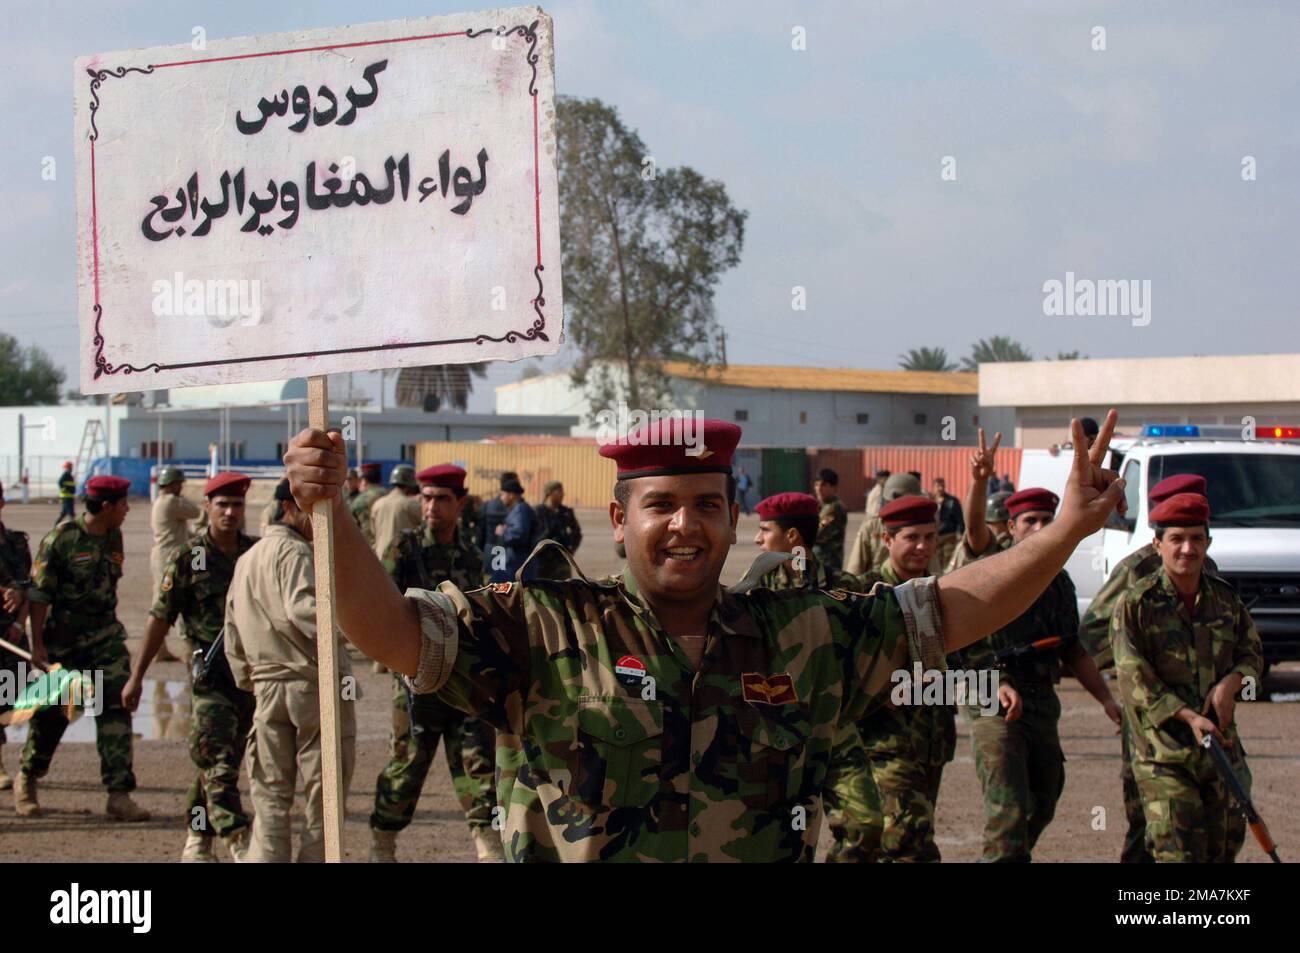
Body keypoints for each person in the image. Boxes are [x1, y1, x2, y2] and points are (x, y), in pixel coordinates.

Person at [281, 411, 1128, 861]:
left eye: (708, 504)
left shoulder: (801, 633)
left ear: (733, 520)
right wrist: (330, 514)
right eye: (662, 504)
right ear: (619, 519)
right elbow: (391, 630)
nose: (685, 525)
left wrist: (1061, 536)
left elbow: (944, 610)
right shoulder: (542, 625)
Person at [959, 484, 1123, 861]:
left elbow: (1072, 649)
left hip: (1040, 700)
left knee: (1046, 795)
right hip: (991, 699)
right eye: (1029, 520)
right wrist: (980, 479)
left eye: (1047, 521)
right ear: (1011, 528)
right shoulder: (994, 567)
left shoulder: (1060, 582)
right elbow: (974, 532)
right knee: (1009, 812)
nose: (1038, 527)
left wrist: (1106, 700)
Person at [1080, 472, 1222, 863]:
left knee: (1205, 824)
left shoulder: (1207, 566)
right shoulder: (1137, 569)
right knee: (1149, 825)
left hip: (1200, 717)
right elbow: (1092, 634)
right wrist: (1138, 663)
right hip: (1150, 721)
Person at [1113, 492, 1263, 863]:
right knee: (1178, 854)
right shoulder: (1137, 604)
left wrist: (1233, 683)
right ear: (1157, 544)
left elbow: (1252, 655)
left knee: (1223, 848)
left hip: (1220, 752)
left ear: (1208, 543)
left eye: (1196, 538)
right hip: (1164, 753)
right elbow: (1134, 678)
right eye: (1176, 539)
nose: (1186, 549)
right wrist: (1190, 716)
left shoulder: (1225, 600)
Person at [372, 464, 501, 863]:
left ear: (460, 503)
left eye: (442, 499)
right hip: (415, 681)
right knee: (408, 766)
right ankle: (383, 842)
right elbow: (379, 607)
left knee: (479, 766)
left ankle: (488, 845)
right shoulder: (404, 551)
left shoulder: (472, 554)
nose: (431, 507)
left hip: (463, 680)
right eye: (426, 498)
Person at [125, 472, 257, 862]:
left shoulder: (254, 555)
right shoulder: (190, 557)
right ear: (208, 508)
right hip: (209, 678)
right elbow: (160, 618)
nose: (231, 512)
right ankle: (238, 839)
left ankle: (198, 840)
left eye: (237, 505)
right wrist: (137, 675)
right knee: (215, 760)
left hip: (249, 679)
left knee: (219, 764)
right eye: (223, 505)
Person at [223, 479, 356, 863]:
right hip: (311, 688)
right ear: (288, 509)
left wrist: (251, 681)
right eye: (312, 513)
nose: (318, 522)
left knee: (270, 798)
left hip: (267, 690)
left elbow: (231, 632)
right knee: (324, 797)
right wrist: (355, 630)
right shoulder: (296, 552)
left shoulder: (246, 559)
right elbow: (303, 609)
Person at [749, 491, 881, 862]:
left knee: (865, 824)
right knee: (778, 838)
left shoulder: (844, 588)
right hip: (774, 733)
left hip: (833, 726)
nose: (758, 539)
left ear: (792, 538)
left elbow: (876, 645)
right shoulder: (753, 593)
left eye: (764, 530)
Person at [18, 475, 149, 821]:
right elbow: (39, 595)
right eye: (123, 504)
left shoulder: (114, 536)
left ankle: (119, 794)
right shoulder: (61, 539)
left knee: (115, 708)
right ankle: (28, 777)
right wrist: (39, 646)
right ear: (106, 507)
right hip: (64, 643)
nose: (127, 510)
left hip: (105, 637)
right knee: (53, 715)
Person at [0, 481, 33, 791]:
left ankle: (31, 766)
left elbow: (28, 588)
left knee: (13, 695)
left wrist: (20, 623)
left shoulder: (16, 543)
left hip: (11, 634)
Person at [846, 473, 943, 576]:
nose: (921, 546)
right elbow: (855, 569)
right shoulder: (871, 527)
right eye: (911, 537)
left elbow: (934, 568)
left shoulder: (924, 527)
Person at [150, 466, 201, 663]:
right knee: (179, 598)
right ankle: (189, 648)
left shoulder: (161, 501)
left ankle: (159, 649)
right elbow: (196, 512)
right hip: (170, 556)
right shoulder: (172, 502)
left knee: (161, 600)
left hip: (164, 554)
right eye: (179, 484)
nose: (181, 487)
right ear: (172, 485)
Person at [533, 480, 583, 581]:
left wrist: (571, 550)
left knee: (564, 591)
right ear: (550, 493)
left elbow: (577, 533)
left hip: (561, 561)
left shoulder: (566, 513)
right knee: (542, 591)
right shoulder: (538, 512)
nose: (562, 494)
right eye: (559, 491)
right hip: (542, 561)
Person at [370, 464, 421, 560]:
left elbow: (373, 534)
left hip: (380, 559)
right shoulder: (411, 505)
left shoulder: (378, 504)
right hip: (401, 561)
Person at [493, 476, 538, 583]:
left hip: (517, 565)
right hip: (513, 565)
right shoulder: (517, 509)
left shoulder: (520, 510)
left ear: (511, 495)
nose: (501, 498)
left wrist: (503, 532)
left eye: (502, 494)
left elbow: (519, 534)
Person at [477, 472, 518, 574]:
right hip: (510, 555)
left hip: (490, 553)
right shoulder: (518, 509)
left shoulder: (487, 506)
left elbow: (480, 535)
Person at [812, 468, 847, 572]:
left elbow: (817, 534)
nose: (818, 488)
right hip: (819, 562)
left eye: (823, 485)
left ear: (834, 488)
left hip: (828, 564)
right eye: (816, 485)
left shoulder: (835, 508)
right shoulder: (823, 506)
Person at [930, 476, 965, 570]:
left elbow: (960, 519)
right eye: (938, 486)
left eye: (942, 486)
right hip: (934, 537)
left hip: (948, 536)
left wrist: (960, 532)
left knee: (948, 560)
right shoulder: (930, 501)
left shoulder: (952, 501)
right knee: (934, 560)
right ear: (933, 487)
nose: (940, 488)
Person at [349, 462, 385, 546]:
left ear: (364, 481)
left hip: (366, 549)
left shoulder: (359, 500)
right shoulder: (389, 495)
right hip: (388, 550)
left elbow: (351, 528)